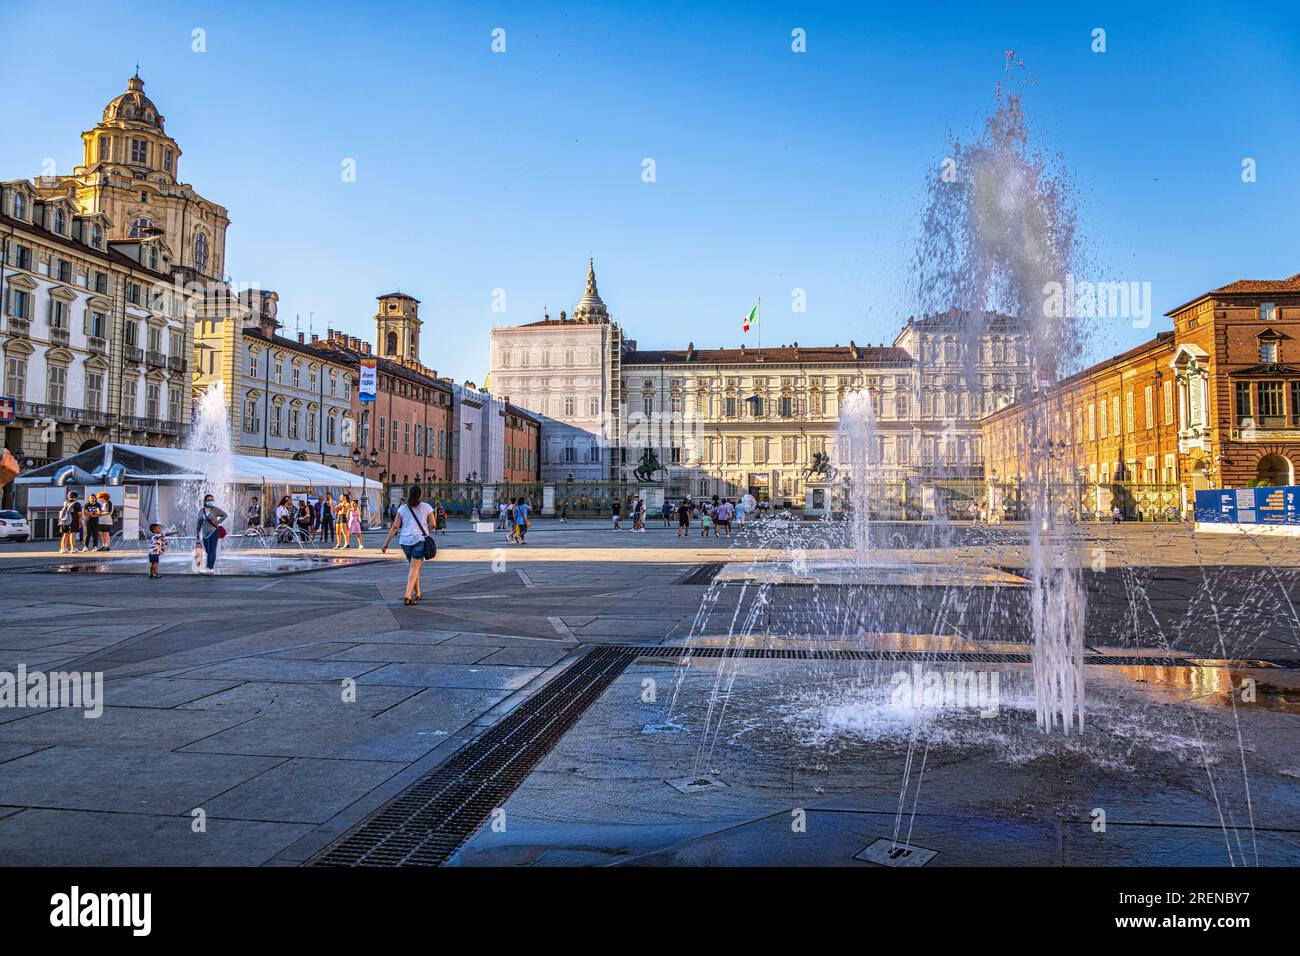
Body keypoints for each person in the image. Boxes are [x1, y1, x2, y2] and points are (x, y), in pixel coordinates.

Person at [380, 484, 437, 605]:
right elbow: (433, 523)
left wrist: (386, 543)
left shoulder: (402, 508)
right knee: (414, 568)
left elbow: (395, 526)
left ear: (409, 494)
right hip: (419, 541)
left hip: (404, 542)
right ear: (420, 494)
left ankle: (417, 593)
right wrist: (426, 532)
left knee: (413, 567)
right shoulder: (426, 507)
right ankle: (407, 595)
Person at [194, 494, 228, 573]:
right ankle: (208, 567)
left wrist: (217, 522)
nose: (210, 501)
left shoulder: (215, 509)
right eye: (209, 500)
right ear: (205, 501)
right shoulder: (201, 510)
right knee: (207, 550)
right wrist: (197, 531)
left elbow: (225, 515)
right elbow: (199, 522)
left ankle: (210, 568)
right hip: (205, 533)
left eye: (212, 500)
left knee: (212, 550)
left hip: (213, 532)